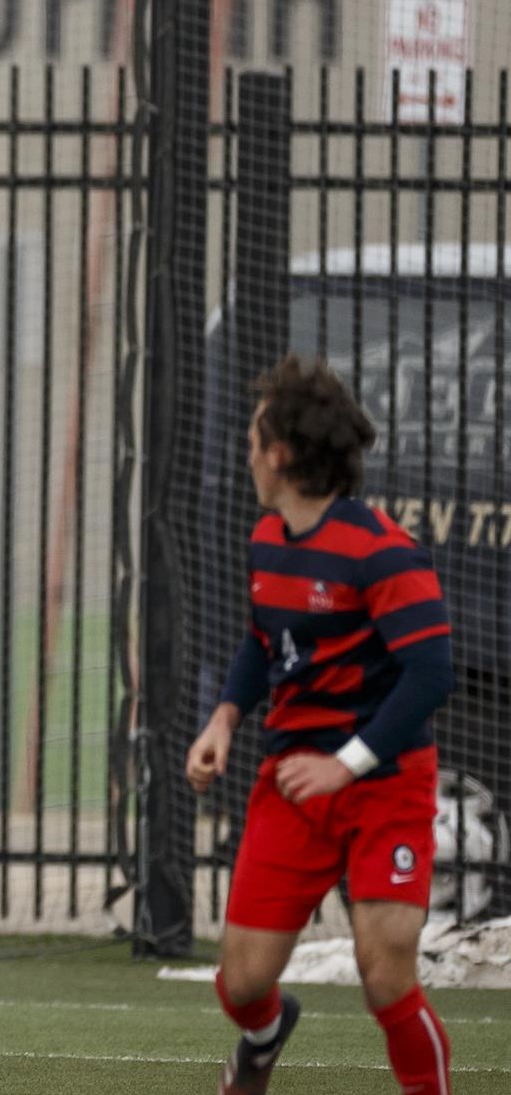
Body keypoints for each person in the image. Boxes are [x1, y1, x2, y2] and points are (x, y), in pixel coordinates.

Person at [186, 354, 456, 1095]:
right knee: (240, 983)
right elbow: (262, 638)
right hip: (296, 783)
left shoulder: (382, 552)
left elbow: (431, 673)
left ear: (279, 452)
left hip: (386, 783)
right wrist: (225, 717)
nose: (244, 448)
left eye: (252, 435)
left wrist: (349, 762)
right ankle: (265, 1036)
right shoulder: (267, 540)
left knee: (385, 969)